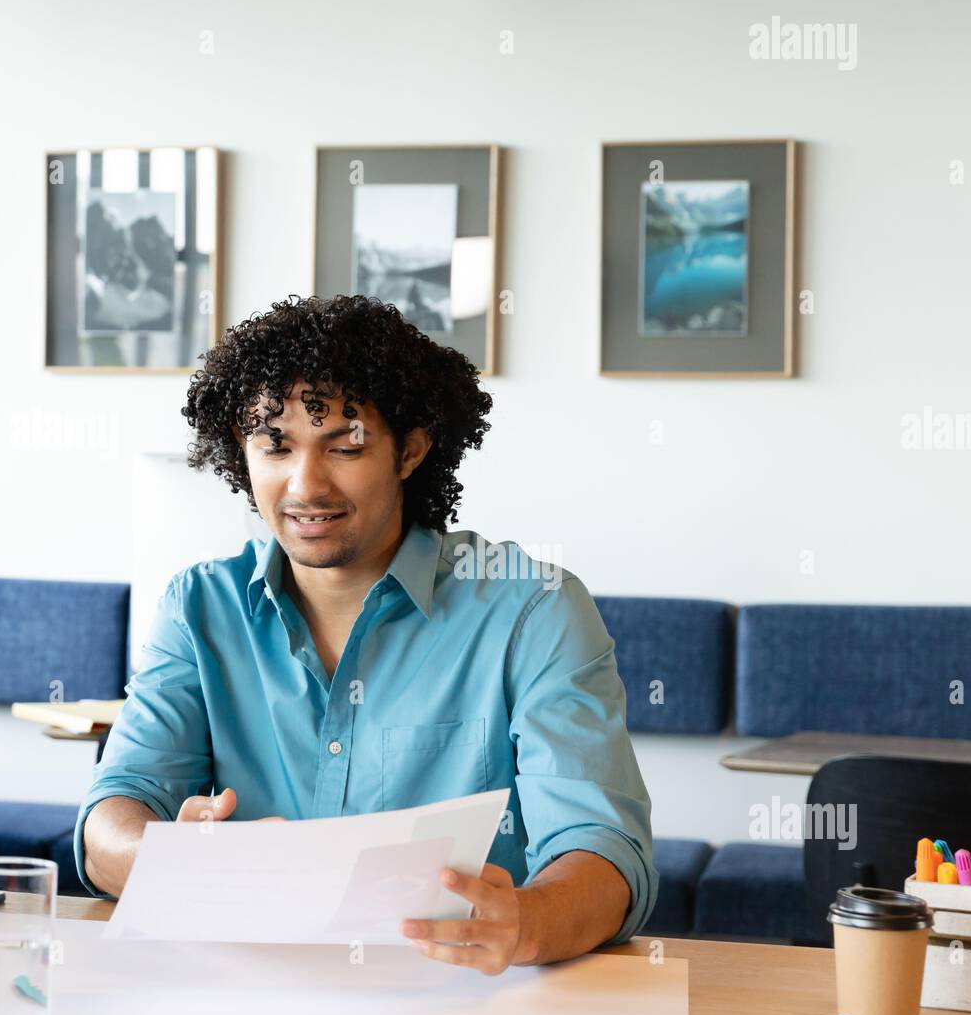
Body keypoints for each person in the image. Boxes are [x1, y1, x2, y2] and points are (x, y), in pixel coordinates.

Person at [75, 293, 657, 972]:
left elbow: (605, 852)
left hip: (464, 1002)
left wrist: (527, 921)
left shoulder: (534, 611)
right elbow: (108, 824)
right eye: (276, 445)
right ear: (243, 450)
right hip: (243, 1000)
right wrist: (174, 861)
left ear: (409, 451)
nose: (305, 484)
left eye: (344, 446)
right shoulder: (199, 607)